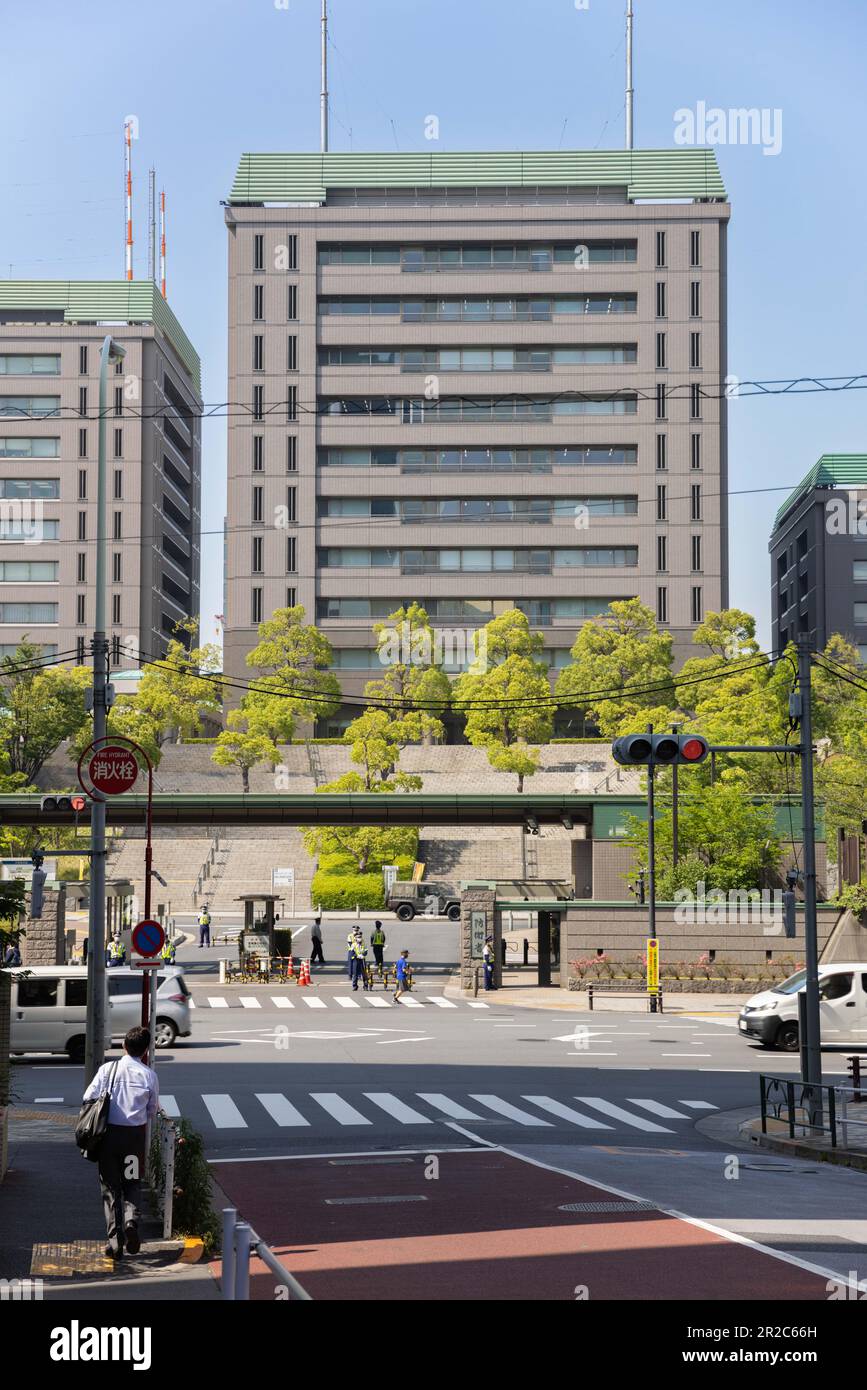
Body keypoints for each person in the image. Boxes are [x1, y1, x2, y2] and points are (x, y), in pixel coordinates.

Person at [82, 1026, 159, 1260]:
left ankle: (115, 1243)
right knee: (132, 1183)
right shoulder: (149, 1075)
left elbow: (88, 1097)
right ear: (145, 1050)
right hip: (133, 1139)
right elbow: (152, 1111)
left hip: (108, 1139)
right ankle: (131, 1222)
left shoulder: (107, 1069)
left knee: (111, 1188)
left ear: (124, 1046)